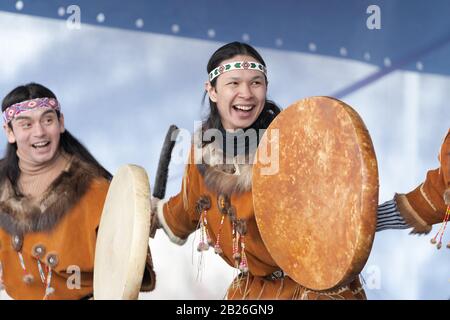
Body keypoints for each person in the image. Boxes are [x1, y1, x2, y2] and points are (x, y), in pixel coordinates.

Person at [152, 42, 449, 300]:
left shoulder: (297, 145)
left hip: (314, 290)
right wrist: (151, 215)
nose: (246, 93)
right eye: (234, 83)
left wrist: (378, 217)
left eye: (256, 82)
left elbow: (338, 216)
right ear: (213, 91)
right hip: (249, 292)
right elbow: (188, 206)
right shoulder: (201, 153)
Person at [0, 83, 154, 300]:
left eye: (47, 120)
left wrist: (138, 219)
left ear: (60, 123)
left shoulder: (97, 191)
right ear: (10, 132)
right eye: (26, 124)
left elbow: (127, 270)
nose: (39, 132)